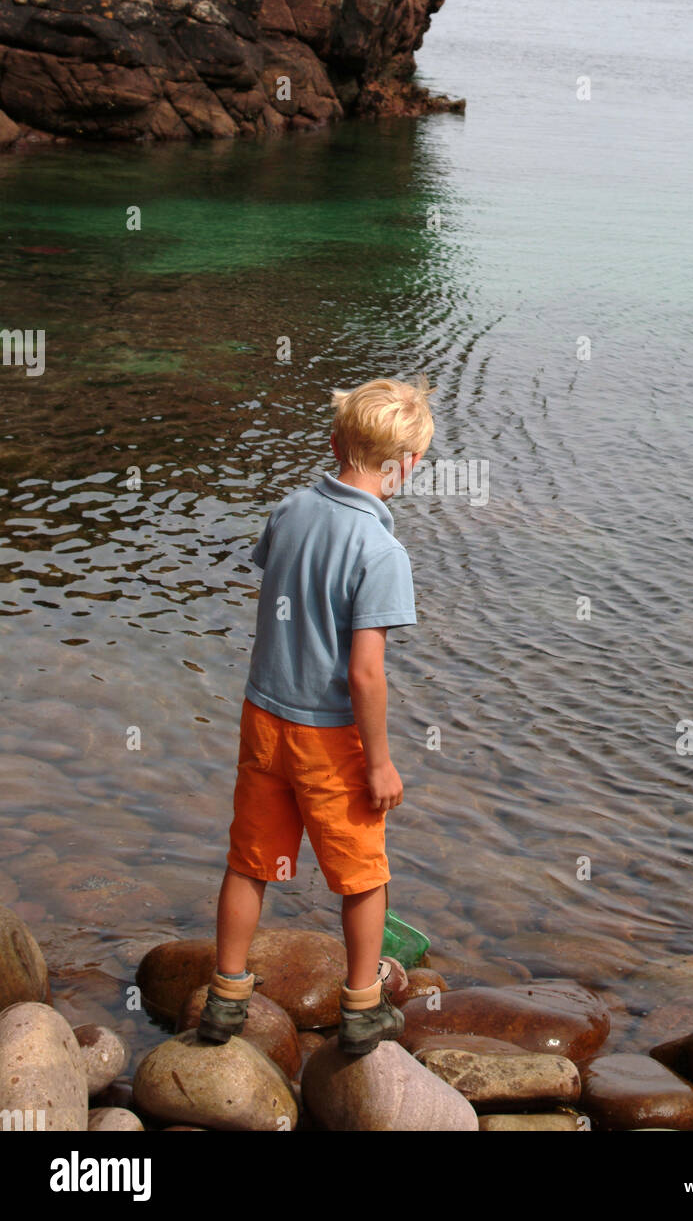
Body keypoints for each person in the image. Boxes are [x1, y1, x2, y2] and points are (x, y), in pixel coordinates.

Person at [197, 375, 434, 1056]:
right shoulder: (383, 552)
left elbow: (277, 585)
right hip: (327, 738)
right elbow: (364, 672)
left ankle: (225, 997)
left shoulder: (291, 508)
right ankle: (362, 1009)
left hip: (262, 715)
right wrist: (381, 762)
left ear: (334, 444)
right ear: (407, 466)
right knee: (363, 874)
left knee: (250, 861)